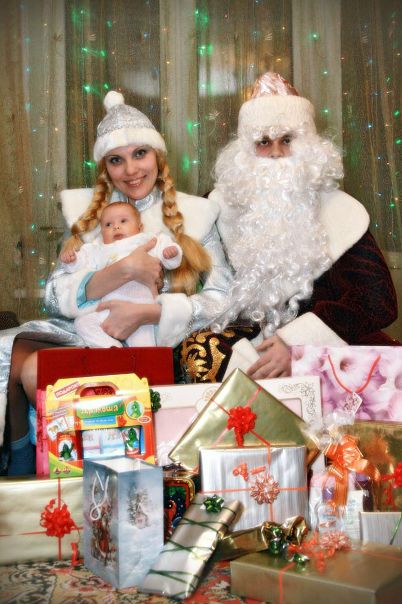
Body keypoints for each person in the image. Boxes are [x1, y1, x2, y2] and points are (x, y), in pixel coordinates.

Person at [1, 89, 243, 475]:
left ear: (157, 156)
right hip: (89, 329)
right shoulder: (90, 215)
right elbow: (53, 295)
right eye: (116, 159)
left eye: (140, 154)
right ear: (105, 167)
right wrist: (123, 270)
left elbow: (223, 298)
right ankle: (21, 474)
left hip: (154, 340)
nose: (130, 170)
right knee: (8, 354)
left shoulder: (197, 215)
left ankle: (50, 469)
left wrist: (152, 312)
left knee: (32, 369)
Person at [199, 71, 399, 380]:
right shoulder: (216, 208)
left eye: (287, 140)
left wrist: (298, 343)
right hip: (246, 350)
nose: (276, 153)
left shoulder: (341, 212)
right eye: (263, 142)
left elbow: (378, 301)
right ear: (246, 150)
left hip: (321, 354)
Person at [62, 201, 182, 348]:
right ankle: (111, 348)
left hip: (141, 307)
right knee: (82, 323)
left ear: (140, 227)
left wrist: (171, 254)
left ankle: (141, 361)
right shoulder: (98, 248)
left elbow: (168, 254)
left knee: (144, 348)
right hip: (108, 308)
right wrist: (72, 260)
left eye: (123, 221)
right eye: (108, 225)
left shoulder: (146, 239)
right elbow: (81, 261)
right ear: (101, 232)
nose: (116, 227)